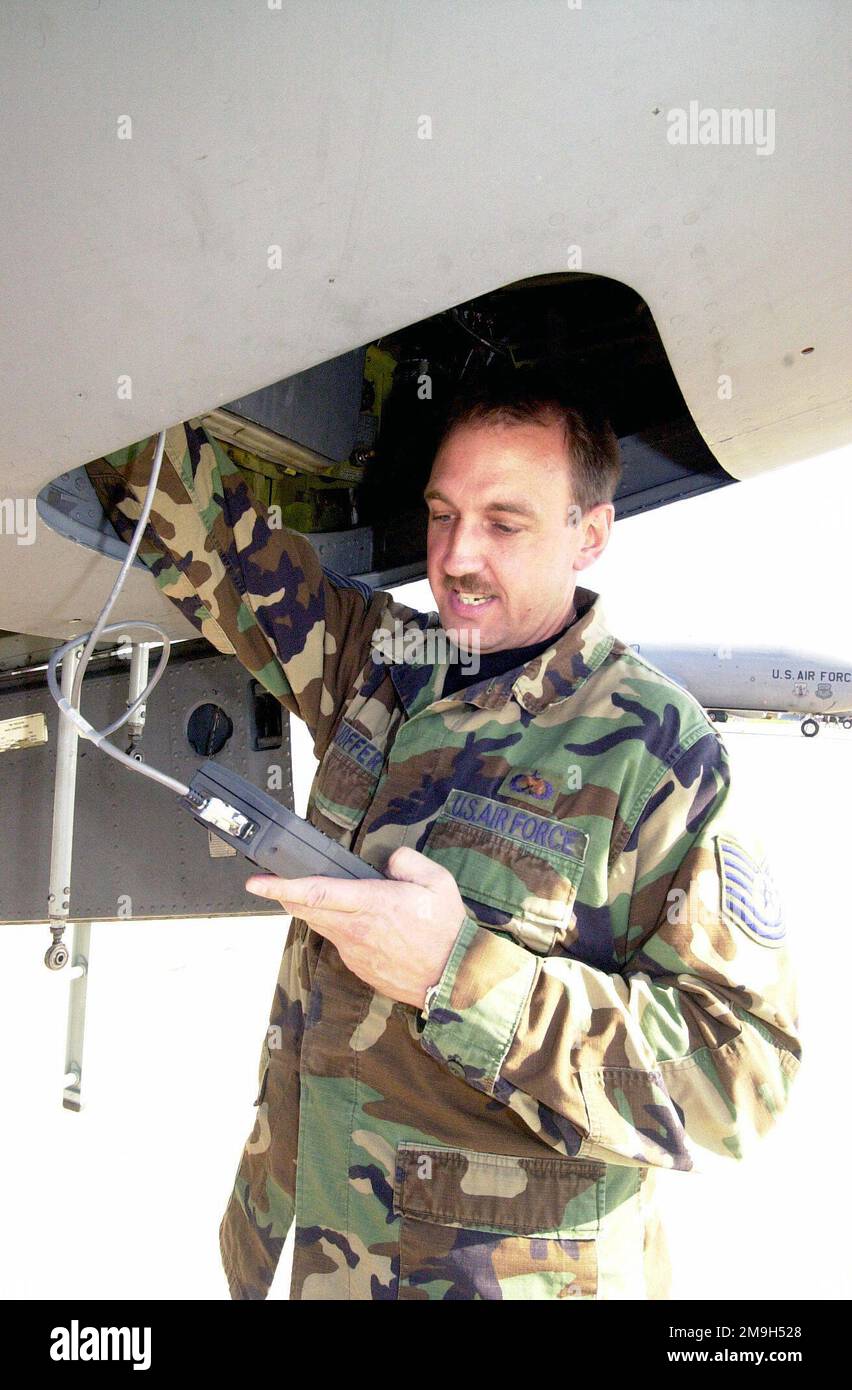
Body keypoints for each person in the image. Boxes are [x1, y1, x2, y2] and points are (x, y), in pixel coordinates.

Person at [85, 369, 801, 1301]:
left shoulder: (657, 754)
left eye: (505, 524)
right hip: (299, 1256)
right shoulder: (386, 664)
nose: (457, 557)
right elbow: (210, 543)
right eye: (440, 515)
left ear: (591, 533)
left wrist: (458, 974)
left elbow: (739, 1080)